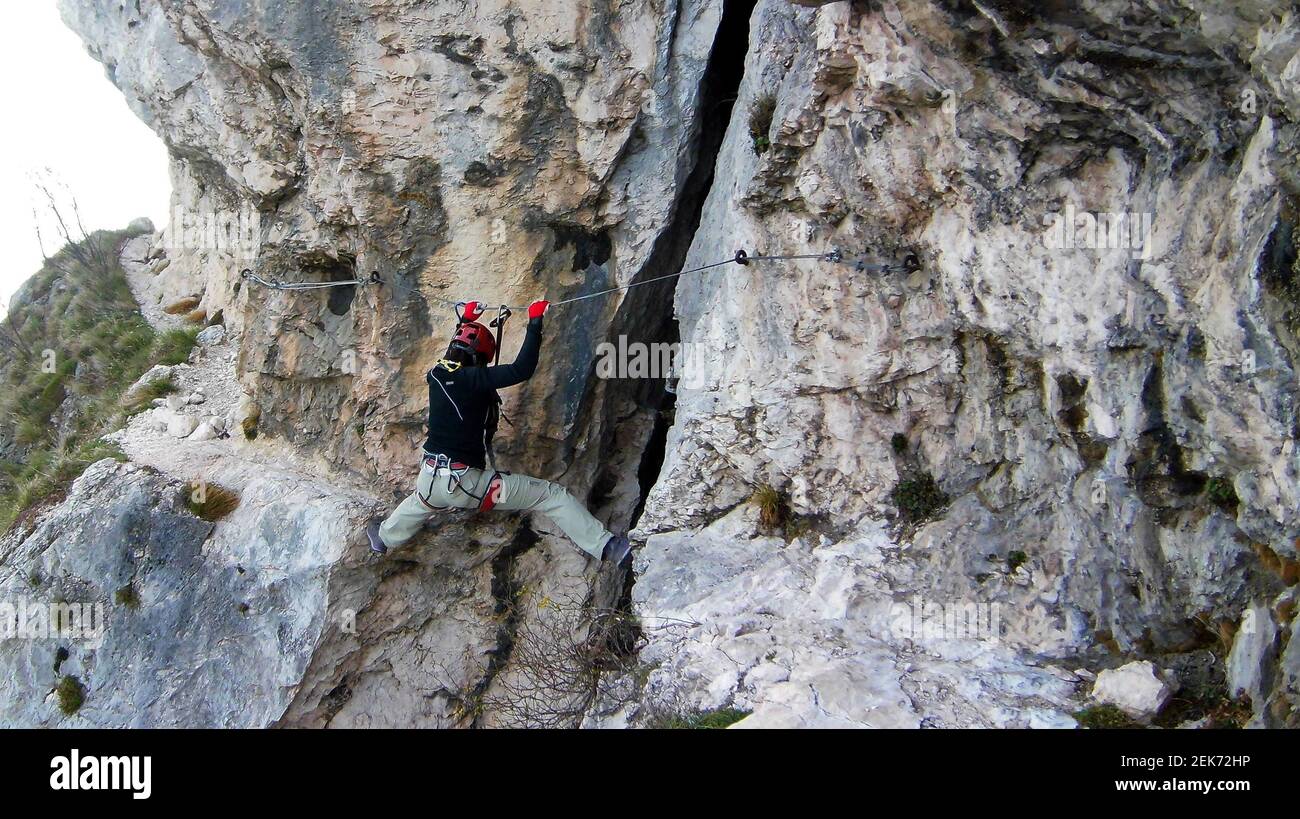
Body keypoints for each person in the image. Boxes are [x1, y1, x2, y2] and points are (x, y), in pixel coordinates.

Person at [367, 299, 632, 566]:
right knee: (550, 495)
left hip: (429, 480)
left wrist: (467, 321)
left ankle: (384, 538)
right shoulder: (475, 380)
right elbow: (521, 369)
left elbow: (457, 354)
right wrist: (535, 324)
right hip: (470, 488)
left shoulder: (436, 374)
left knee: (422, 503)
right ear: (480, 358)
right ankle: (608, 546)